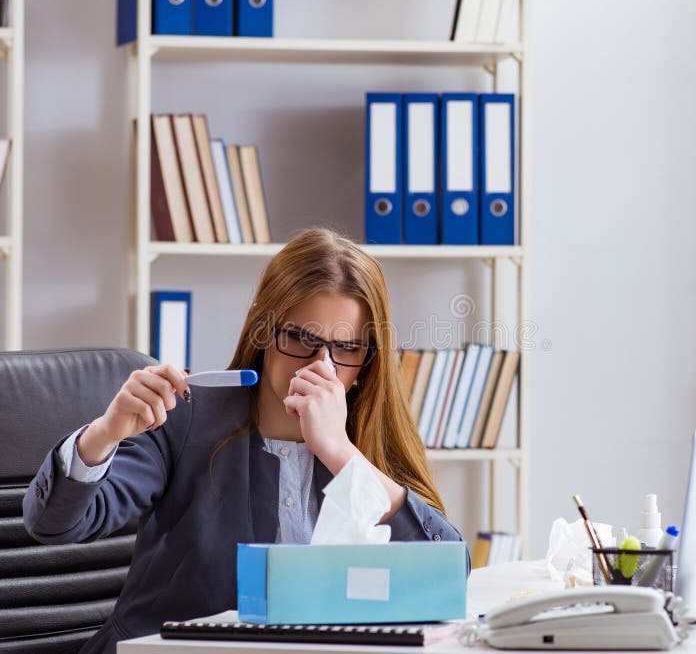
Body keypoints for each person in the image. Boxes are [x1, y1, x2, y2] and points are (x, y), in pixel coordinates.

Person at [23, 227, 465, 654]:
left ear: (368, 359)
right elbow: (54, 523)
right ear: (263, 328)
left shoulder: (367, 442)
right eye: (300, 338)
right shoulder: (188, 415)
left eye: (345, 349)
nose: (322, 367)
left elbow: (448, 572)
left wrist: (340, 453)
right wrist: (105, 432)